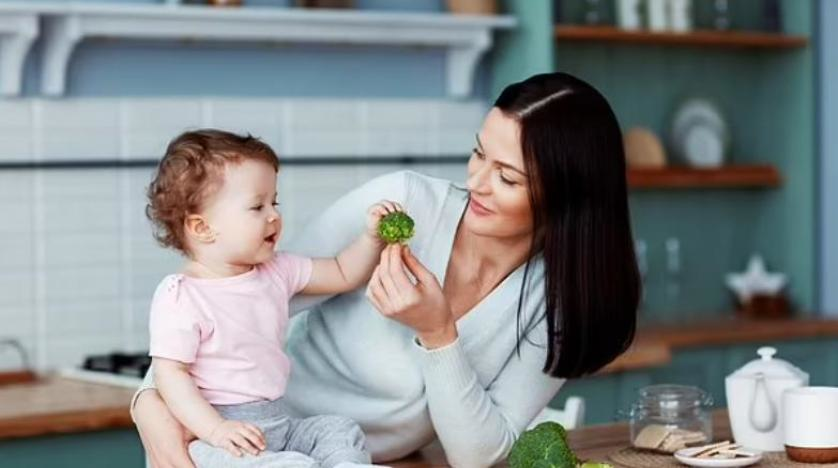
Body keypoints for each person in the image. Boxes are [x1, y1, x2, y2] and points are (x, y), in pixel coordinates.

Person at [133, 72, 641, 468]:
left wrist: (438, 334)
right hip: (247, 442)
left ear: (570, 196)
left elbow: (476, 455)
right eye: (477, 155)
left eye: (506, 177)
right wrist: (148, 403)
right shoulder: (401, 203)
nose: (477, 184)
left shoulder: (560, 302)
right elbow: (227, 298)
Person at [143, 129, 400, 467]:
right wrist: (216, 429)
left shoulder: (276, 270)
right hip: (221, 441)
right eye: (256, 206)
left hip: (278, 425)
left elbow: (342, 272)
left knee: (337, 429)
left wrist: (372, 238)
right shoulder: (182, 296)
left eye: (274, 202)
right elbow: (170, 375)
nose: (273, 215)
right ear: (203, 228)